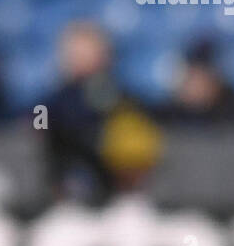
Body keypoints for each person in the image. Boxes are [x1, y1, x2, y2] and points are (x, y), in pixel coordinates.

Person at [41, 22, 161, 202]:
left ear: (105, 54)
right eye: (74, 52)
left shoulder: (125, 102)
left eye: (86, 51)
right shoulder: (49, 106)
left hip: (119, 199)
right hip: (67, 199)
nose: (80, 58)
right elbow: (36, 136)